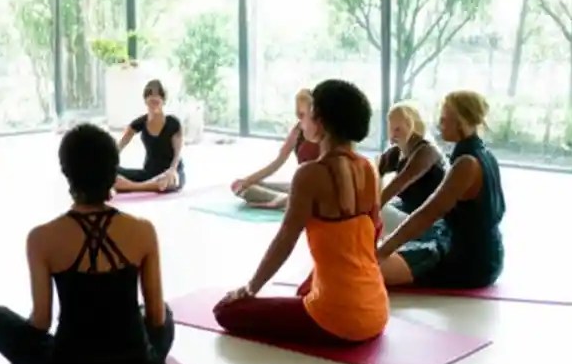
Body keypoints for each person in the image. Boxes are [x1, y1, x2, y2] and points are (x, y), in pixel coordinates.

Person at [0, 123, 173, 364]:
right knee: (165, 310)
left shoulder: (41, 238)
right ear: (113, 170)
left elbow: (40, 323)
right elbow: (156, 318)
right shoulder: (143, 231)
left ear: (66, 172)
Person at [213, 80, 388, 345]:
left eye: (306, 115)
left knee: (225, 312)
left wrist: (250, 289)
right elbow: (369, 239)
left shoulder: (310, 174)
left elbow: (285, 239)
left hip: (338, 319)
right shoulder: (369, 169)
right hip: (376, 312)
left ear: (320, 121)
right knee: (305, 290)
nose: (302, 121)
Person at [378, 91, 505, 289]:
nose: (439, 124)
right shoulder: (485, 155)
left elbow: (427, 215)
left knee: (362, 270)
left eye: (444, 119)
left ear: (460, 122)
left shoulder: (467, 164)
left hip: (468, 262)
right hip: (484, 253)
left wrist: (382, 252)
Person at [231, 89, 319, 208]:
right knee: (243, 186)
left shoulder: (327, 137)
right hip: (301, 187)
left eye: (303, 115)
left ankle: (287, 200)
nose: (300, 120)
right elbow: (277, 163)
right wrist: (248, 180)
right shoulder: (297, 131)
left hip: (318, 191)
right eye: (298, 115)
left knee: (308, 193)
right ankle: (287, 199)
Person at [376, 101, 446, 233]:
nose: (393, 134)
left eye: (398, 129)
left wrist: (368, 211)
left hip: (432, 223)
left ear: (412, 126)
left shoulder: (427, 151)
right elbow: (374, 175)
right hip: (410, 214)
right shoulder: (396, 152)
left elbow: (398, 185)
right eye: (391, 129)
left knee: (378, 214)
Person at [115, 79, 184, 193]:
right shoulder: (139, 123)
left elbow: (178, 154)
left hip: (171, 173)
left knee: (170, 180)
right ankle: (143, 186)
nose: (154, 98)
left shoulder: (173, 123)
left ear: (163, 99)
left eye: (158, 95)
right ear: (145, 99)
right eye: (150, 94)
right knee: (111, 172)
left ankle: (130, 186)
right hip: (149, 173)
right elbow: (119, 147)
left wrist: (172, 170)